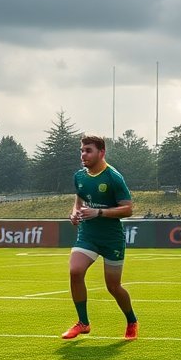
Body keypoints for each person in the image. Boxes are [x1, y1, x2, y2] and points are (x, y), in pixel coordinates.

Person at [60, 135, 137, 340]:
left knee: (113, 287)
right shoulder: (80, 176)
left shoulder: (113, 177)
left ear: (101, 153)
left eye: (88, 150)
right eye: (82, 150)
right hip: (88, 235)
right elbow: (79, 200)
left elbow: (128, 209)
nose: (83, 154)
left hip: (111, 238)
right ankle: (83, 323)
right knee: (75, 271)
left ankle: (131, 320)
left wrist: (99, 213)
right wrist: (74, 213)